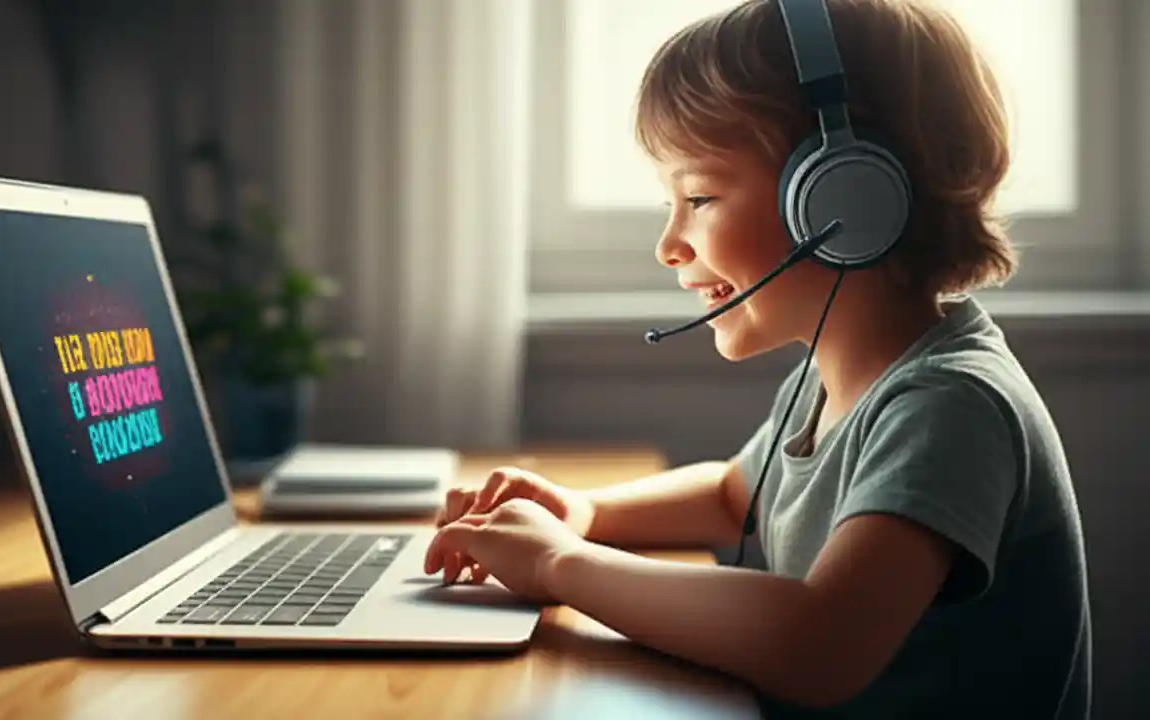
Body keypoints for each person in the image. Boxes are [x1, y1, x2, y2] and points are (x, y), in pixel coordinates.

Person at [423, 1, 1090, 717]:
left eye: (699, 196)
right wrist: (582, 511)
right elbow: (731, 500)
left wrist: (561, 564)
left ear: (845, 195)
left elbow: (821, 642)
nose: (669, 244)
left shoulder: (950, 408)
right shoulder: (832, 379)